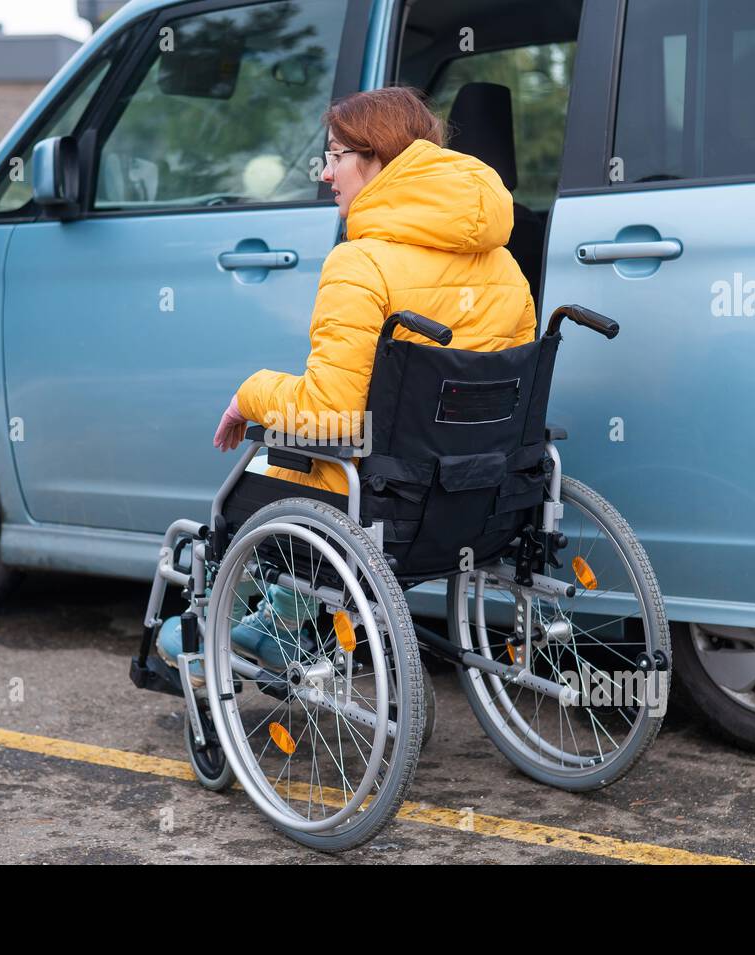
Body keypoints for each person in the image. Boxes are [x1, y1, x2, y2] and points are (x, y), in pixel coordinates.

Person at [158, 86, 537, 684]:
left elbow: (328, 413)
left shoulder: (360, 263)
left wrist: (249, 393)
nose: (327, 173)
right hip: (483, 496)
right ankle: (276, 621)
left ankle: (271, 622)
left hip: (384, 501)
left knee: (268, 464)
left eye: (336, 156)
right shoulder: (504, 264)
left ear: (378, 160)